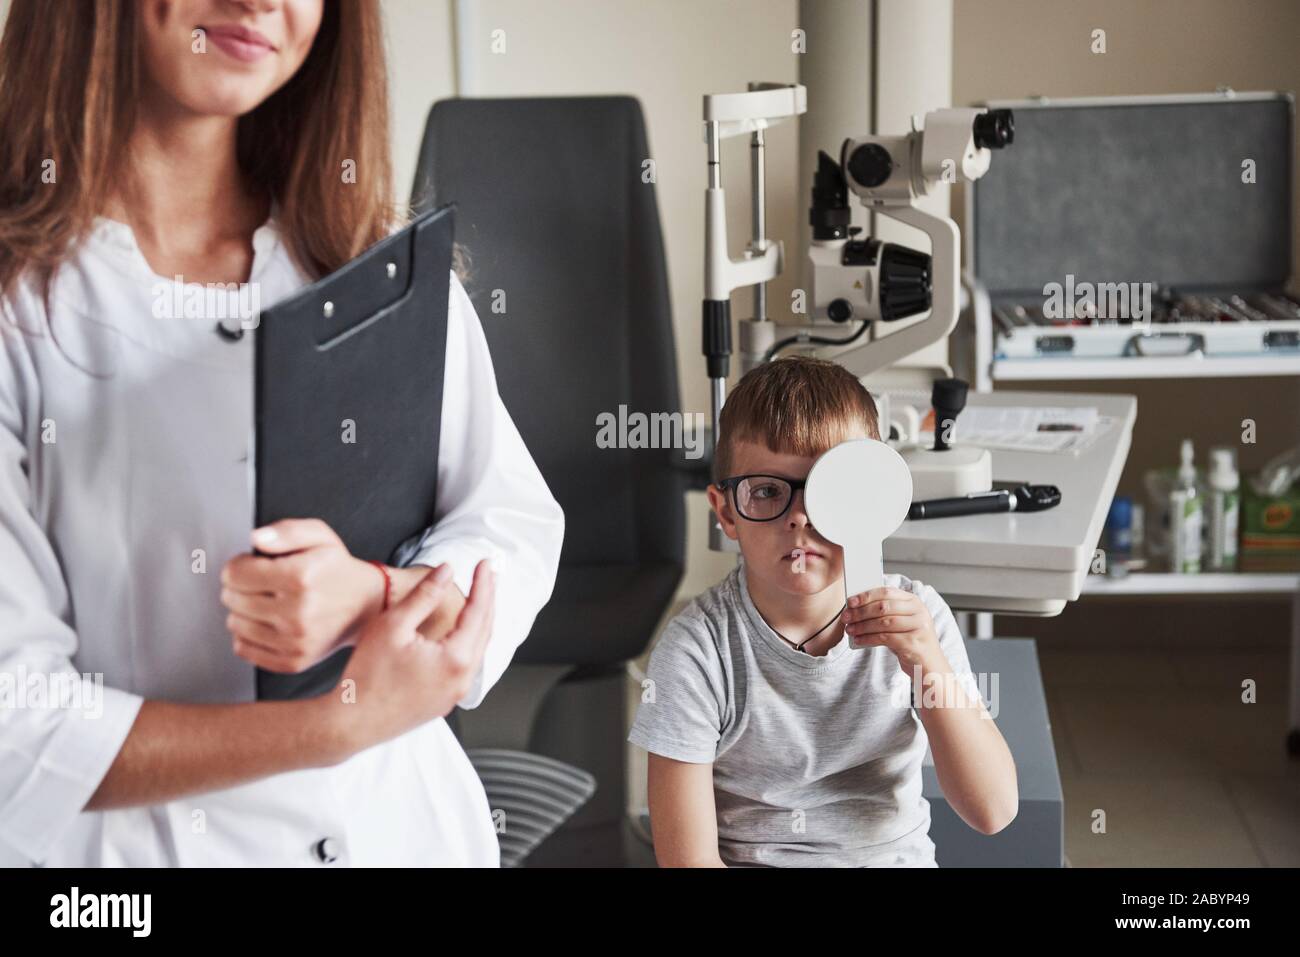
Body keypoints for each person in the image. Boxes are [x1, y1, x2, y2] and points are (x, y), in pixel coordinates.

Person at [0, 0, 563, 866]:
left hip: (402, 833)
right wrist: (336, 725)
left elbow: (510, 528)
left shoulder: (368, 258)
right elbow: (15, 725)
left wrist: (377, 593)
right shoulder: (21, 309)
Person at [628, 357, 1017, 867]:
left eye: (828, 491)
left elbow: (992, 810)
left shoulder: (920, 618)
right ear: (725, 512)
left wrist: (927, 664)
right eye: (766, 491)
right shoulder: (697, 651)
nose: (800, 517)